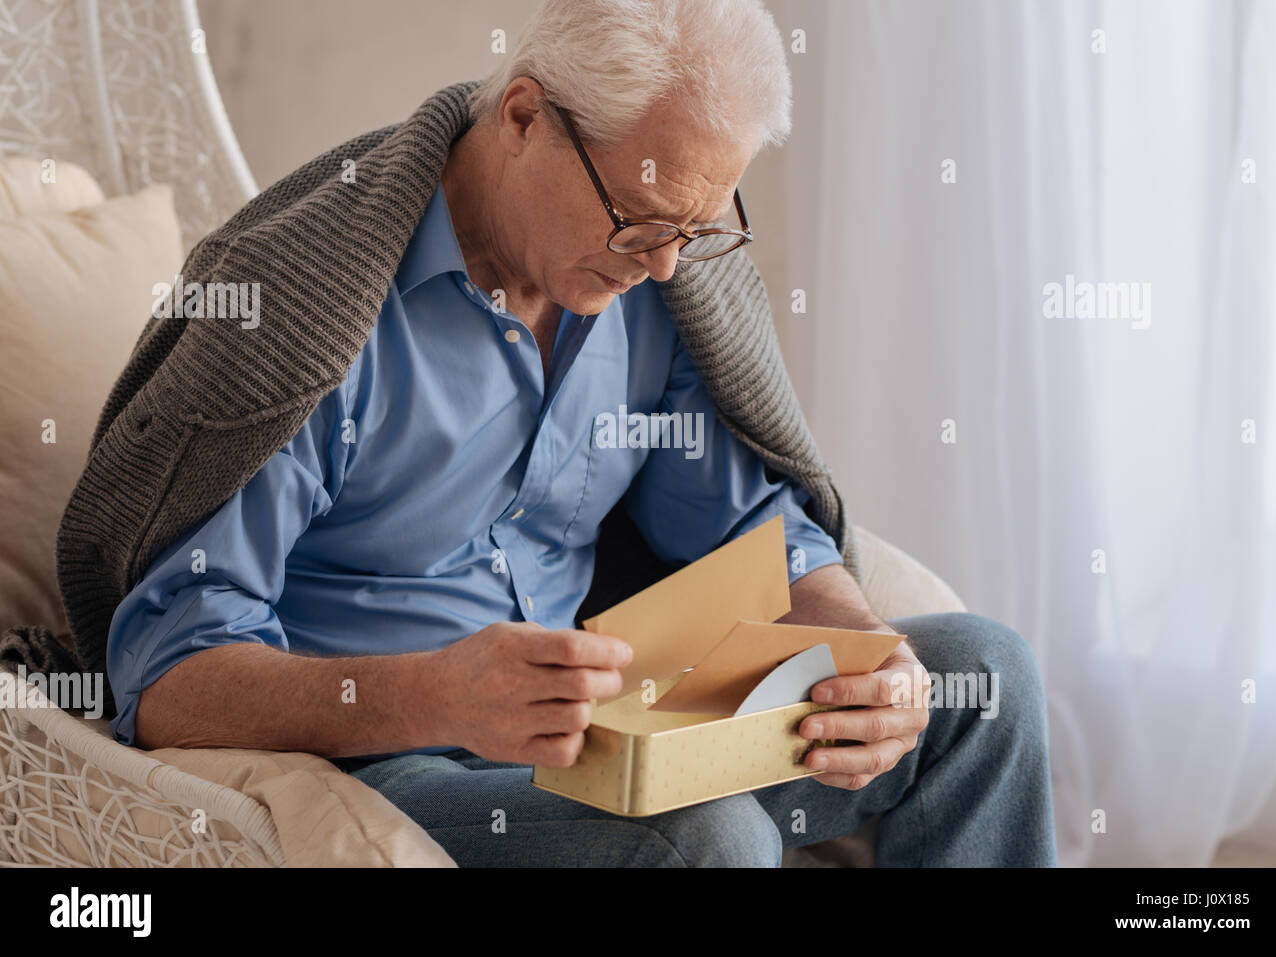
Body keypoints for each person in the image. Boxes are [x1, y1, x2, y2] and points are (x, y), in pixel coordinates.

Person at [105, 0, 1056, 866]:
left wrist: (865, 652)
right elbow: (169, 678)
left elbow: (742, 529)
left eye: (700, 224)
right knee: (708, 839)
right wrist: (438, 693)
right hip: (384, 760)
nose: (669, 265)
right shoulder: (305, 309)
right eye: (641, 222)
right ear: (524, 117)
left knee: (984, 679)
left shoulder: (663, 292)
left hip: (606, 729)